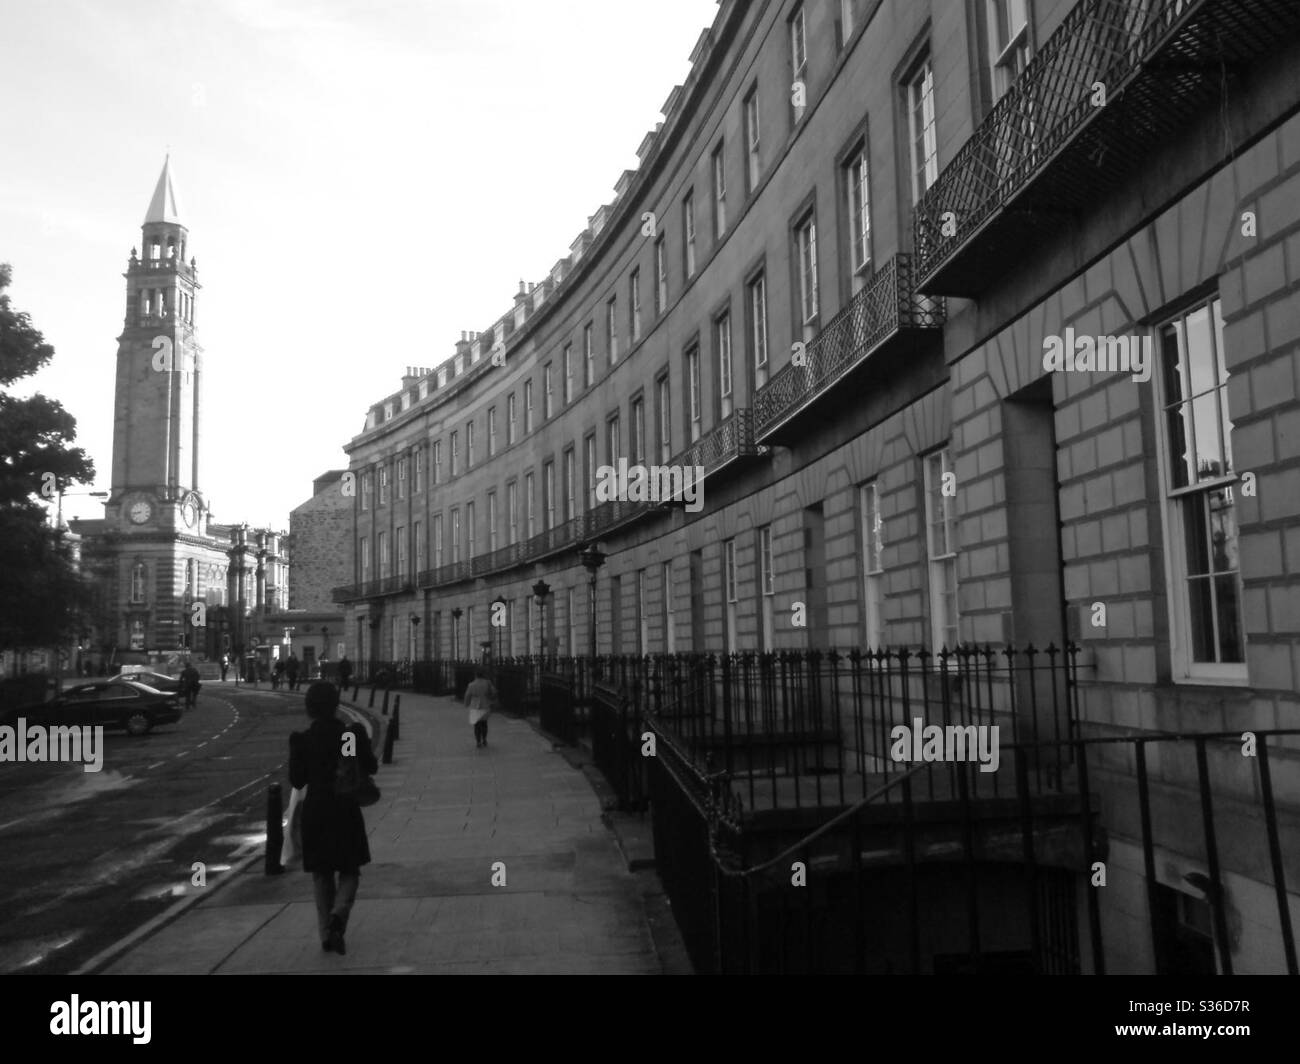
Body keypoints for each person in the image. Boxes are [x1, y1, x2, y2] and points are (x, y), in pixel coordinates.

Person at [289, 682, 378, 955]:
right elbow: (368, 766)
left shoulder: (302, 740)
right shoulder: (349, 736)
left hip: (316, 810)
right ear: (336, 704)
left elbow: (297, 779)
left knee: (321, 873)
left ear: (309, 708)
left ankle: (326, 933)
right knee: (350, 869)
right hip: (344, 808)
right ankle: (339, 915)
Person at [463, 667, 498, 748]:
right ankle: (484, 739)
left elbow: (467, 696)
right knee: (484, 724)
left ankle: (478, 741)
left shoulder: (471, 685)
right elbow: (493, 692)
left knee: (477, 726)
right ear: (484, 674)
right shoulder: (488, 683)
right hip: (486, 705)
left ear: (476, 675)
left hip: (475, 707)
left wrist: (466, 704)